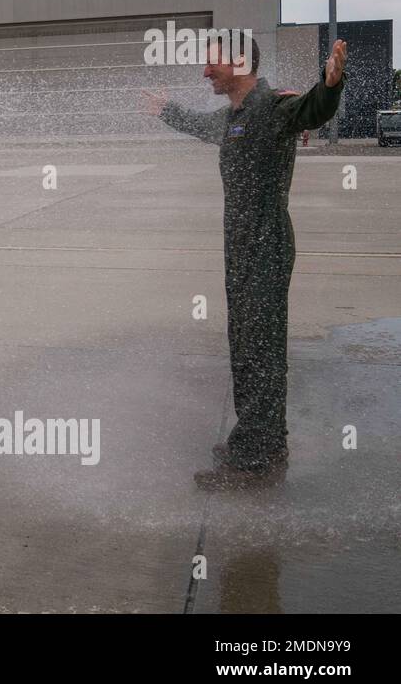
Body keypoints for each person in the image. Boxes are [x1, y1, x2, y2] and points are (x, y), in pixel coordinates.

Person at [144, 34, 347, 490]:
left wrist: (330, 85)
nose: (204, 71)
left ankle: (253, 460)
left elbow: (313, 110)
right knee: (247, 346)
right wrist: (167, 111)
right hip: (240, 248)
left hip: (266, 245)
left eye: (211, 62)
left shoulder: (273, 107)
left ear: (239, 61)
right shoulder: (233, 116)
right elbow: (201, 125)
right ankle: (264, 440)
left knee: (260, 350)